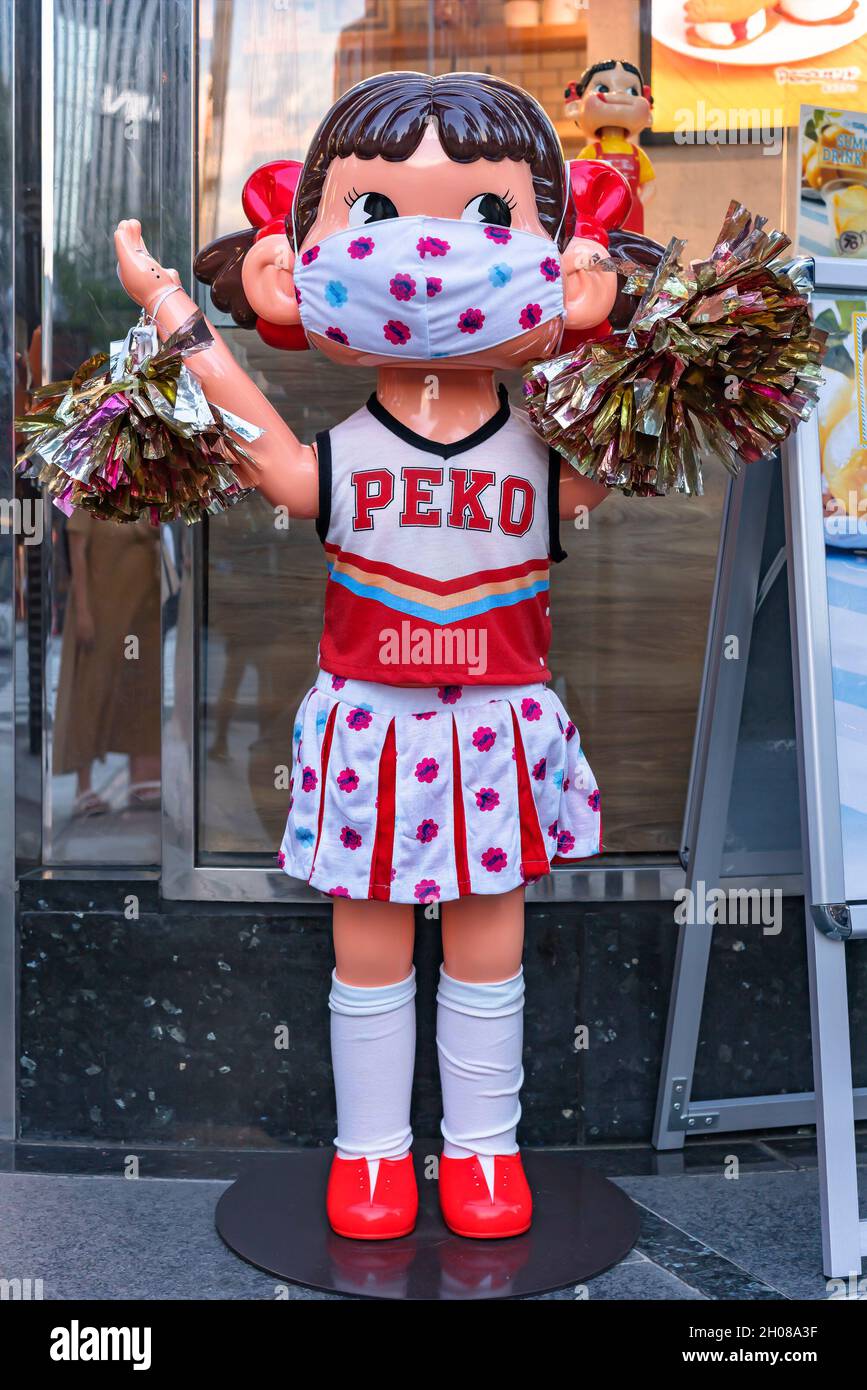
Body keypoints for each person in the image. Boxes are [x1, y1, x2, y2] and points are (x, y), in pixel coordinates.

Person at [113, 71, 635, 1242]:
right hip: (371, 729)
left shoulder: (549, 455)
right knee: (370, 947)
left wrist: (645, 330)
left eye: (494, 217)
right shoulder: (345, 449)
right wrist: (181, 326)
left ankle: (487, 1156)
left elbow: (631, 448)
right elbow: (282, 468)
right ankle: (371, 1159)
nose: (440, 253)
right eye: (381, 212)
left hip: (500, 720)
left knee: (491, 944)